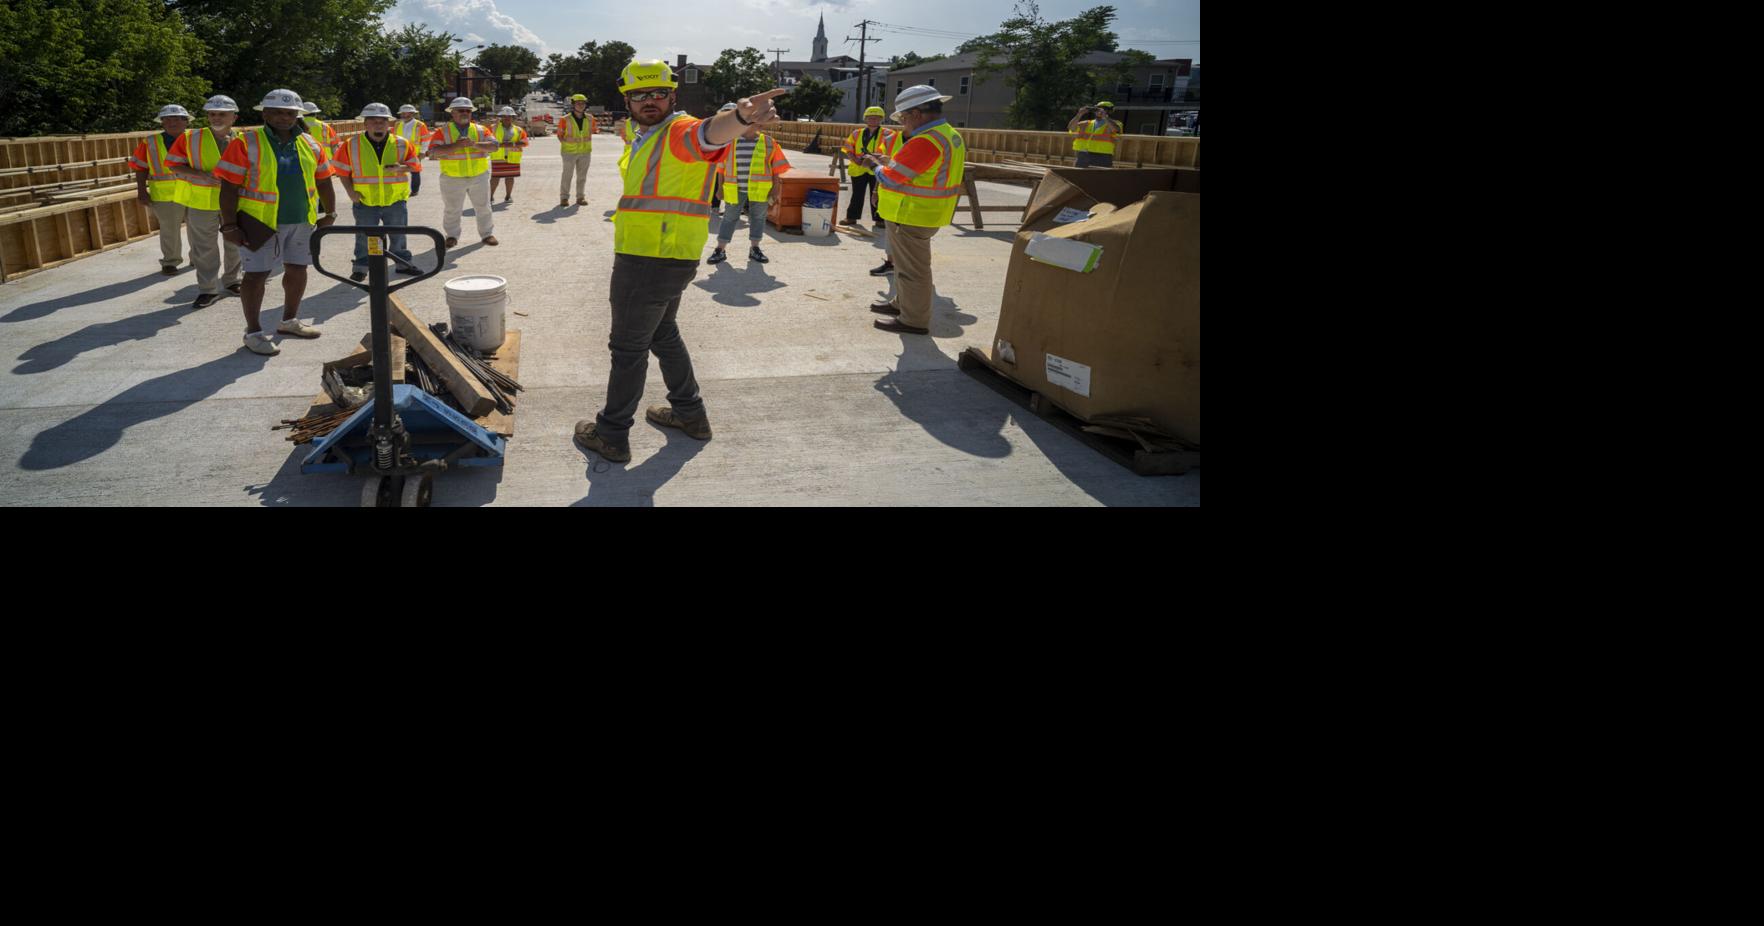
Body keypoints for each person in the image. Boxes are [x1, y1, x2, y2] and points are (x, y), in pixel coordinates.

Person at [571, 60, 788, 463]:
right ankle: (691, 414)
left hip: (647, 260)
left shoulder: (677, 130)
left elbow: (707, 134)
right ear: (627, 100)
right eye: (640, 94)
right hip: (673, 256)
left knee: (628, 349)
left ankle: (612, 433)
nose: (649, 101)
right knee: (662, 334)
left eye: (657, 93)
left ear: (673, 95)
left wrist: (739, 117)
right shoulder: (645, 136)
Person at [213, 89, 337, 356]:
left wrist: (331, 213)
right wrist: (230, 225)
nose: (284, 117)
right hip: (259, 223)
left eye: (290, 113)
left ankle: (289, 321)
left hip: (302, 221)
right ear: (265, 114)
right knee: (257, 275)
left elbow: (324, 179)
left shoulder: (310, 143)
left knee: (298, 270)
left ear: (297, 115)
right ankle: (254, 332)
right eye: (278, 112)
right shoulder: (246, 143)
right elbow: (228, 188)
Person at [861, 84, 964, 336]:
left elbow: (893, 179)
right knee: (907, 268)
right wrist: (889, 162)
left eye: (904, 118)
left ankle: (913, 320)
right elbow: (917, 172)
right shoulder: (948, 134)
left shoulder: (926, 140)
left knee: (912, 271)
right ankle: (901, 305)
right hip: (923, 212)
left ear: (917, 113)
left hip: (912, 214)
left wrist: (873, 166)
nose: (904, 124)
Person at [331, 102, 423, 281]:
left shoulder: (402, 144)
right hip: (365, 201)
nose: (378, 124)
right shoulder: (351, 145)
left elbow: (416, 166)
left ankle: (402, 264)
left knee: (398, 235)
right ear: (365, 123)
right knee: (363, 237)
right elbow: (342, 171)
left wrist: (401, 167)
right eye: (373, 120)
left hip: (395, 200)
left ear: (388, 124)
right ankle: (361, 268)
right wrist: (350, 192)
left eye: (382, 120)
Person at [166, 95, 243, 306]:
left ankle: (232, 280)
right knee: (204, 247)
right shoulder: (190, 137)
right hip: (201, 201)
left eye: (222, 114)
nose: (216, 118)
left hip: (235, 201)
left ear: (233, 117)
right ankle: (208, 289)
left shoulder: (243, 140)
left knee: (234, 243)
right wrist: (202, 175)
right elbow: (173, 164)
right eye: (212, 114)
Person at [707, 102, 790, 266]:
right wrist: (719, 189)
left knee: (758, 218)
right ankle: (720, 249)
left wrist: (775, 189)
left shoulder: (768, 143)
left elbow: (776, 169)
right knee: (729, 218)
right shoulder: (730, 142)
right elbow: (721, 168)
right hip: (733, 189)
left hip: (760, 190)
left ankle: (755, 248)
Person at [427, 97, 500, 248]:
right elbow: (433, 152)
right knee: (452, 209)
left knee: (484, 207)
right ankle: (452, 236)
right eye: (461, 110)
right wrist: (456, 146)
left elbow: (494, 147)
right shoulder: (443, 132)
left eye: (468, 110)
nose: (465, 113)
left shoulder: (480, 130)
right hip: (452, 177)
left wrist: (474, 144)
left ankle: (487, 234)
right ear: (452, 113)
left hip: (478, 175)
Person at [132, 104, 191, 275]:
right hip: (165, 195)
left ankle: (198, 258)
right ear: (162, 122)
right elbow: (140, 167)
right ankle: (170, 262)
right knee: (169, 230)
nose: (173, 122)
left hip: (195, 192)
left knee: (197, 229)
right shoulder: (150, 142)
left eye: (178, 118)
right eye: (168, 119)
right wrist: (141, 190)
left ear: (186, 121)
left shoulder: (196, 139)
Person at [840, 105, 896, 229]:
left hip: (877, 169)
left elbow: (893, 150)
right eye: (870, 118)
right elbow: (848, 148)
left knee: (877, 194)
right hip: (859, 168)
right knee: (857, 194)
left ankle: (879, 219)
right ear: (865, 119)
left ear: (881, 119)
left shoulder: (888, 134)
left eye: (876, 118)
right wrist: (855, 160)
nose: (873, 120)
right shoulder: (856, 133)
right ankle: (851, 217)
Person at [557, 93, 594, 206]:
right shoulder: (565, 119)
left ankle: (580, 197)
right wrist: (569, 142)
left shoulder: (590, 118)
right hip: (569, 152)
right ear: (573, 104)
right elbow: (559, 135)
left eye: (583, 103)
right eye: (578, 103)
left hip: (585, 151)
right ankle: (564, 198)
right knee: (567, 175)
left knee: (582, 176)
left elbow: (592, 131)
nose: (581, 105)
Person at [488, 106, 530, 203]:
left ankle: (508, 196)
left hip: (513, 157)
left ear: (513, 117)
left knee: (510, 177)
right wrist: (501, 145)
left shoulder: (519, 130)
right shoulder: (493, 128)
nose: (507, 118)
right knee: (495, 177)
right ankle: (490, 197)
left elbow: (525, 142)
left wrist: (512, 144)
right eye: (504, 116)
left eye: (509, 116)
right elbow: (487, 140)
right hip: (498, 157)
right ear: (501, 117)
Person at [1067, 101, 1120, 168]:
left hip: (1103, 156)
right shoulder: (1086, 123)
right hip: (1084, 155)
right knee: (1078, 176)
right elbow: (1071, 128)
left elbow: (1115, 130)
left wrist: (1105, 117)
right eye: (1097, 109)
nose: (1099, 112)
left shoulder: (1116, 123)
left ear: (1109, 112)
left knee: (1100, 177)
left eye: (1104, 110)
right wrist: (1079, 114)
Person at [394, 104, 431, 196]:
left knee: (415, 171)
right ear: (401, 114)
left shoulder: (419, 125)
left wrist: (422, 152)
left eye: (408, 114)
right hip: (399, 152)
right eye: (403, 114)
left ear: (413, 114)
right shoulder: (397, 124)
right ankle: (399, 190)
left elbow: (426, 140)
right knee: (397, 171)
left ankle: (414, 190)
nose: (405, 116)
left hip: (414, 153)